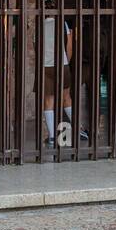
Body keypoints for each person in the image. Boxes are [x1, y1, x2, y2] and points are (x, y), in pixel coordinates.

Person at [42, 10, 88, 145]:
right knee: (66, 98)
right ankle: (78, 128)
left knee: (48, 101)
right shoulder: (63, 24)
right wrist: (65, 61)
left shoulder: (40, 25)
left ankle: (51, 136)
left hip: (46, 66)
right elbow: (69, 47)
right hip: (62, 64)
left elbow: (36, 47)